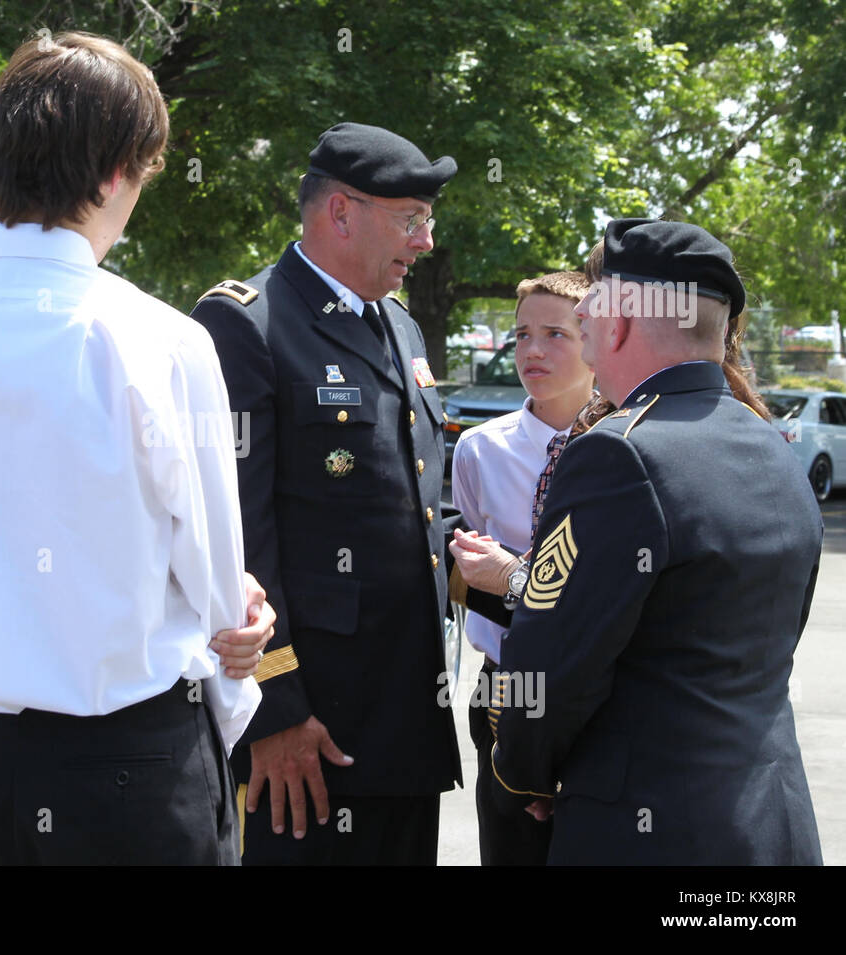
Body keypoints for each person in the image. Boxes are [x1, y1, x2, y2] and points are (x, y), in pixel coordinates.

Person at [0, 31, 274, 866]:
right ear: (117, 171)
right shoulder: (159, 339)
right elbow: (223, 598)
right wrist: (233, 636)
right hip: (137, 768)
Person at [488, 218, 822, 864]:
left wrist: (520, 775)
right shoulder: (772, 447)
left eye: (594, 294)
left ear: (617, 323)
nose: (580, 306)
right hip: (772, 825)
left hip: (648, 832)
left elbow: (550, 663)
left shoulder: (619, 455)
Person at [190, 123, 460, 865]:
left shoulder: (399, 324)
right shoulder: (247, 321)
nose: (426, 241)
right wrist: (275, 709)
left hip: (406, 712)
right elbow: (236, 535)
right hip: (310, 733)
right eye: (411, 219)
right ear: (340, 213)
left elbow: (413, 495)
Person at [449, 271, 594, 865]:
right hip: (507, 681)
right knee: (513, 848)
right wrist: (506, 586)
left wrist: (519, 574)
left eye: (556, 334)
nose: (533, 350)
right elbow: (460, 574)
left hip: (598, 683)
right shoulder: (481, 448)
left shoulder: (628, 444)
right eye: (522, 334)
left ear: (601, 338)